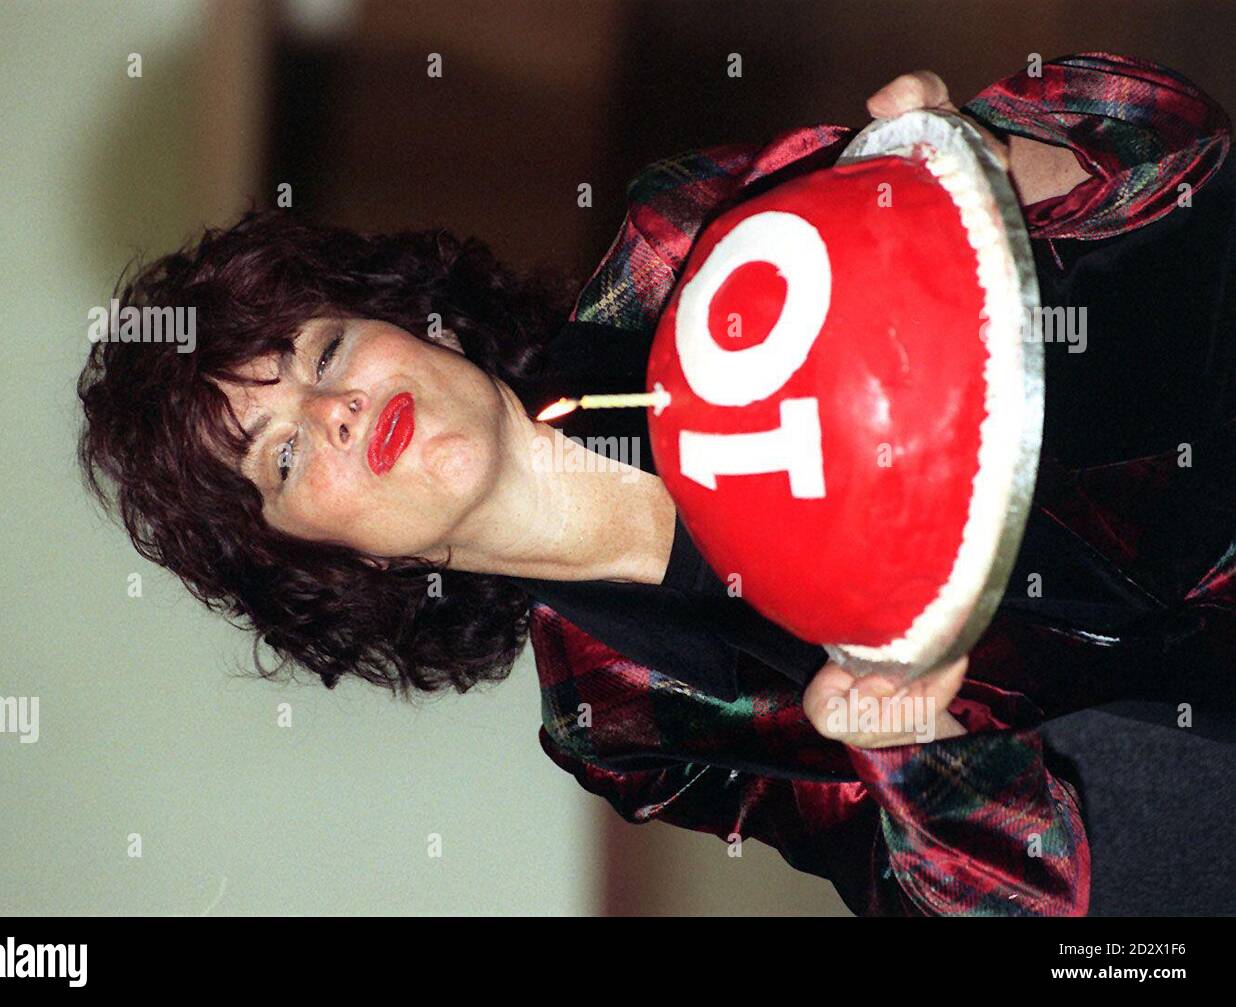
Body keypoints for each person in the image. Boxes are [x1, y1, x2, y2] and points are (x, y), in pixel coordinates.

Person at [77, 51, 1235, 915]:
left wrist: (1011, 168)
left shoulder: (681, 238)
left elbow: (1178, 150)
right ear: (341, 559)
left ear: (400, 319)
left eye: (324, 353)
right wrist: (912, 748)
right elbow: (1028, 906)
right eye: (282, 457)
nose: (331, 412)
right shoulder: (617, 721)